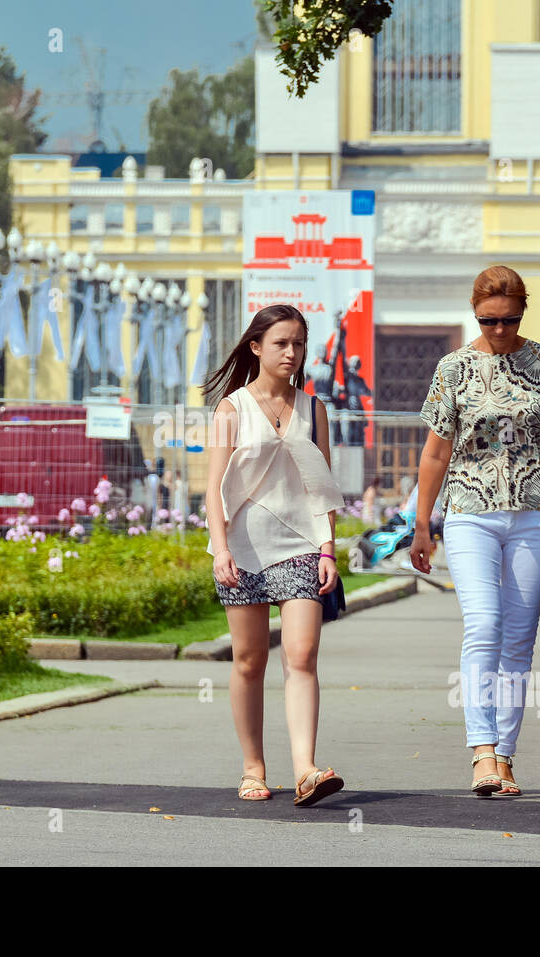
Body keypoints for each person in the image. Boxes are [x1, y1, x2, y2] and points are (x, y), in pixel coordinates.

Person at [409, 264, 540, 798]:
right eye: (489, 320)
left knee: (517, 637)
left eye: (509, 320)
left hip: (537, 514)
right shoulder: (453, 368)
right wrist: (422, 525)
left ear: (522, 312)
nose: (500, 330)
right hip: (469, 511)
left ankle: (505, 757)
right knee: (483, 623)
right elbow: (436, 452)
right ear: (476, 314)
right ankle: (481, 751)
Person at [204, 303, 347, 807]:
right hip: (241, 549)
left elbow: (321, 486)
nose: (291, 352)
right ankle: (252, 767)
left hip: (301, 548)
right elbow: (214, 490)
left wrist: (327, 548)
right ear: (256, 347)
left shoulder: (314, 409)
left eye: (299, 344)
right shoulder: (230, 410)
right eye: (282, 343)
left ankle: (306, 769)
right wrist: (220, 549)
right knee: (248, 661)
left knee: (302, 654)